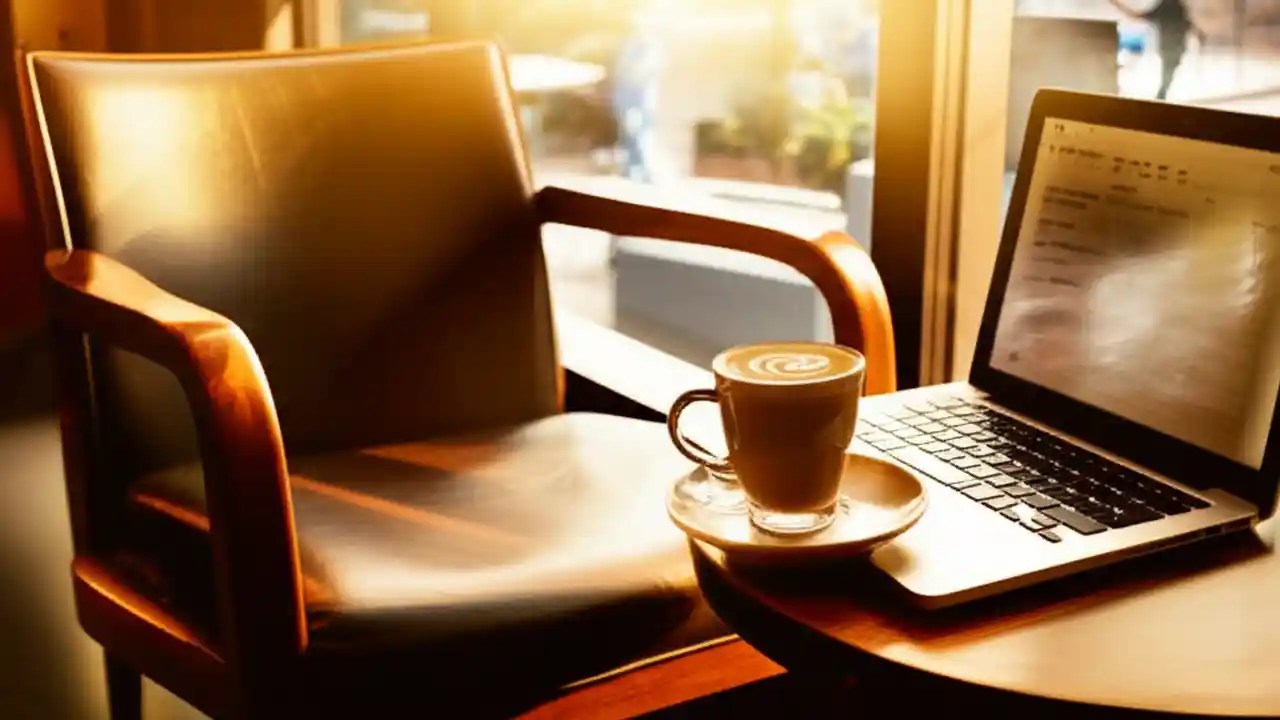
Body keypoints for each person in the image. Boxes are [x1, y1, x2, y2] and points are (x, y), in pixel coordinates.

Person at [1110, 0, 1202, 100]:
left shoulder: (1168, 7)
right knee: (1169, 69)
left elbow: (1139, 15)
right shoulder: (1176, 7)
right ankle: (1162, 94)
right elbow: (1187, 24)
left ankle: (1162, 94)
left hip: (1170, 45)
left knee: (1169, 69)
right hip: (1175, 45)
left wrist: (1119, 5)